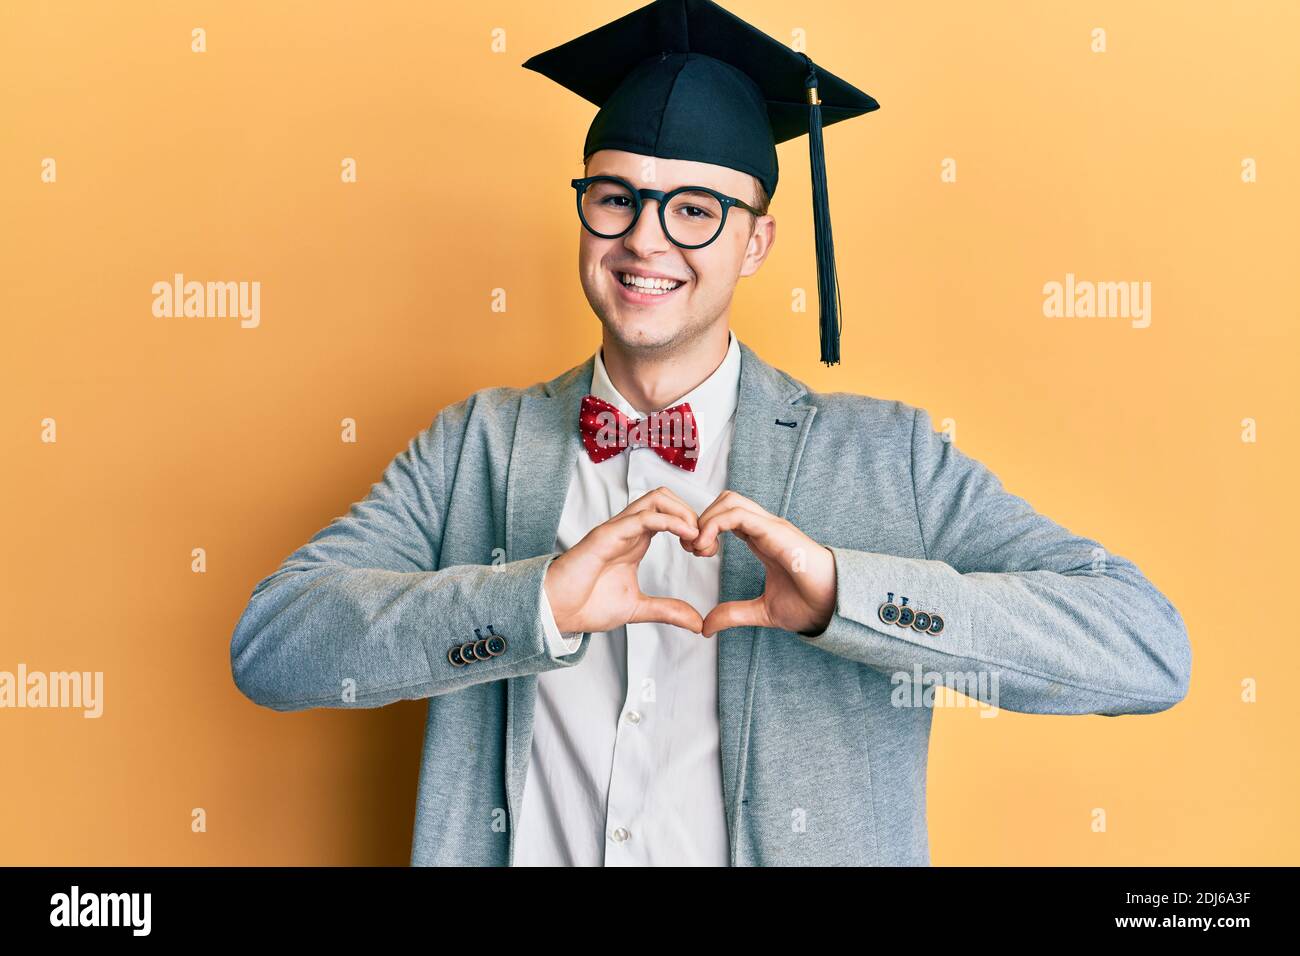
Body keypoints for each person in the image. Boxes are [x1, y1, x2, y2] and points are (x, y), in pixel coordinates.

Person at [229, 0, 1191, 866]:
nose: (646, 242)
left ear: (757, 241)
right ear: (585, 209)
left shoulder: (888, 457)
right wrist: (535, 606)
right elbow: (274, 648)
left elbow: (1146, 650)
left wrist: (845, 599)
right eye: (616, 199)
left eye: (695, 211)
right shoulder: (475, 445)